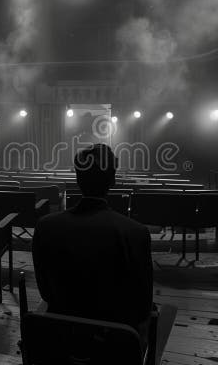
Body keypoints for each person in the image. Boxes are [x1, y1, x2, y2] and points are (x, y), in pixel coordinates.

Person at [32, 144, 153, 343]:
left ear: (78, 179)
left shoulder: (45, 226)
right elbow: (142, 306)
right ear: (113, 180)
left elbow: (46, 292)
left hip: (59, 339)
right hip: (114, 343)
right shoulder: (136, 233)